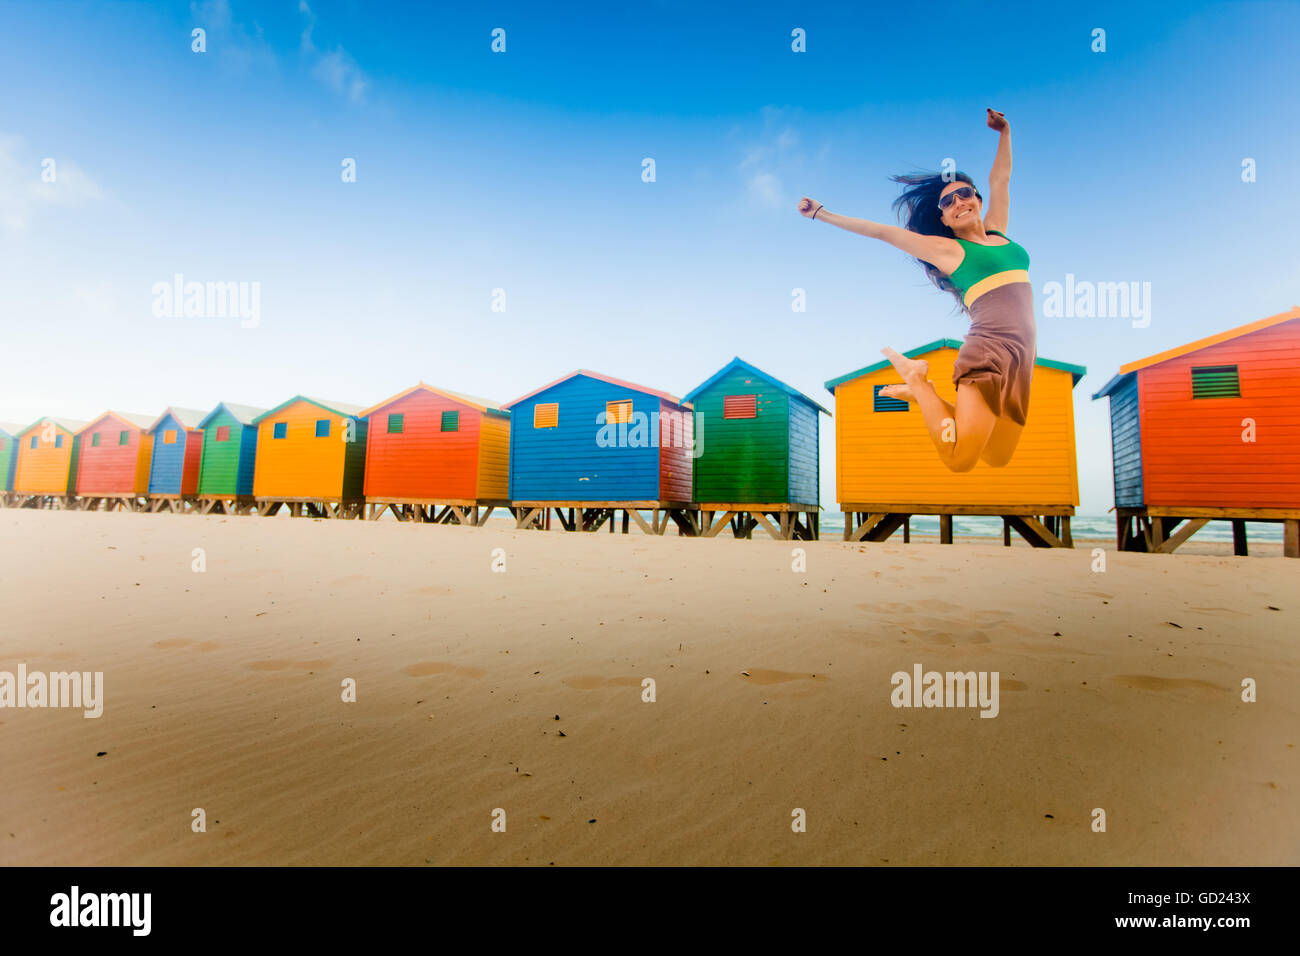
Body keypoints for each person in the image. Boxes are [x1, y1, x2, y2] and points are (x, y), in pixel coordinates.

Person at [797, 108, 1034, 472]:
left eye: (964, 194)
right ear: (942, 219)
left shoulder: (998, 232)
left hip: (1022, 358)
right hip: (988, 350)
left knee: (997, 455)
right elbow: (881, 232)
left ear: (978, 200)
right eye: (947, 202)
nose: (958, 202)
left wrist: (1005, 132)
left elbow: (1001, 178)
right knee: (960, 459)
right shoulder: (949, 251)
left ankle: (923, 396)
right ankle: (919, 383)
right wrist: (822, 213)